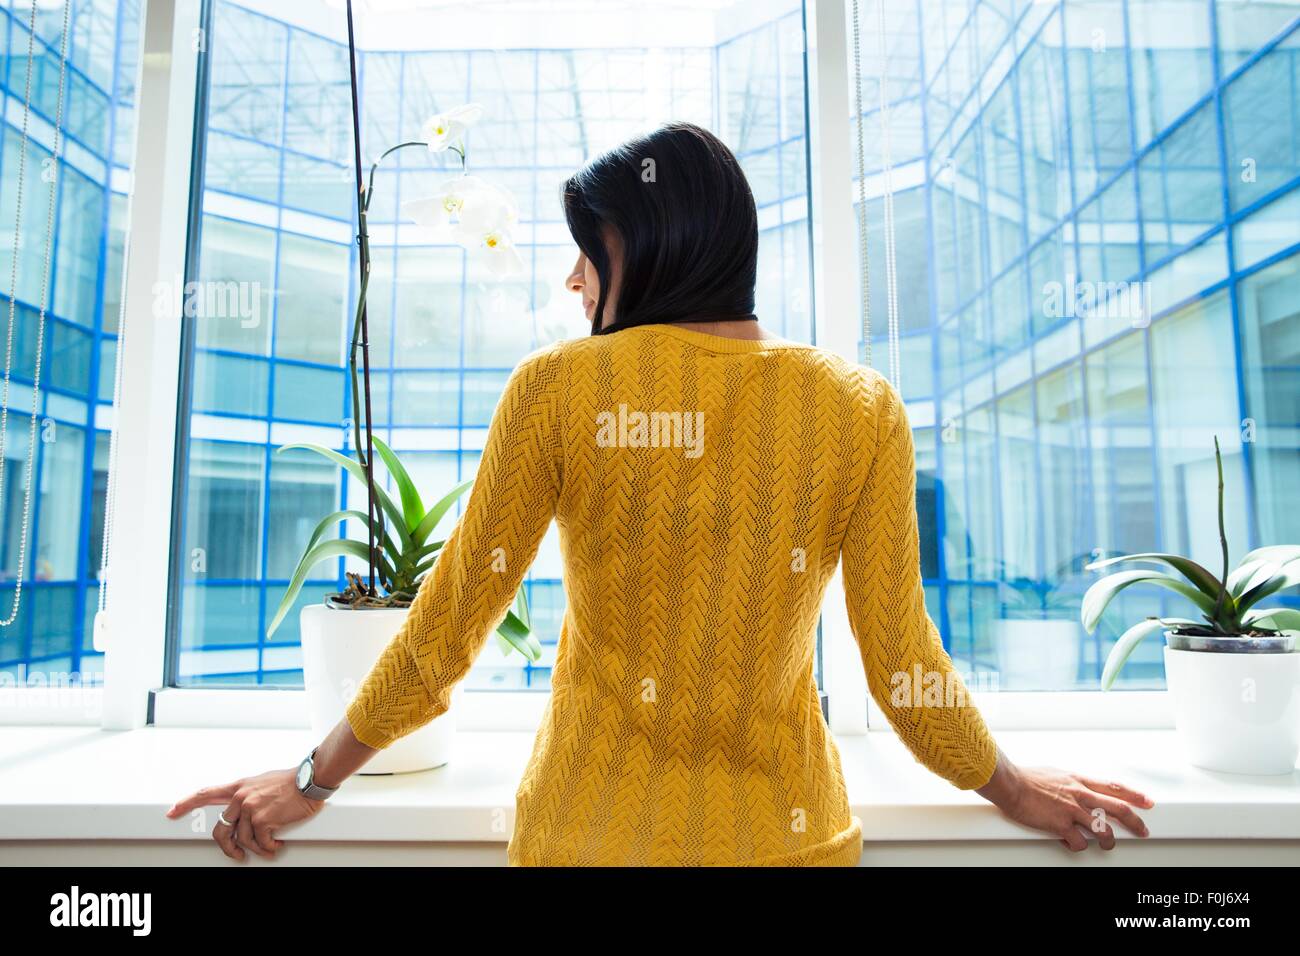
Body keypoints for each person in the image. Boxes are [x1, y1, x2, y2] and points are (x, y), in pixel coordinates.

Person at [167, 122, 1153, 865]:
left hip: (585, 838)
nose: (571, 279)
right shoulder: (859, 407)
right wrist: (1015, 789)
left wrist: (309, 779)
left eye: (589, 248)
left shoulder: (554, 390)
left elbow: (446, 629)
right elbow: (900, 663)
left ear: (654, 244)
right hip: (787, 840)